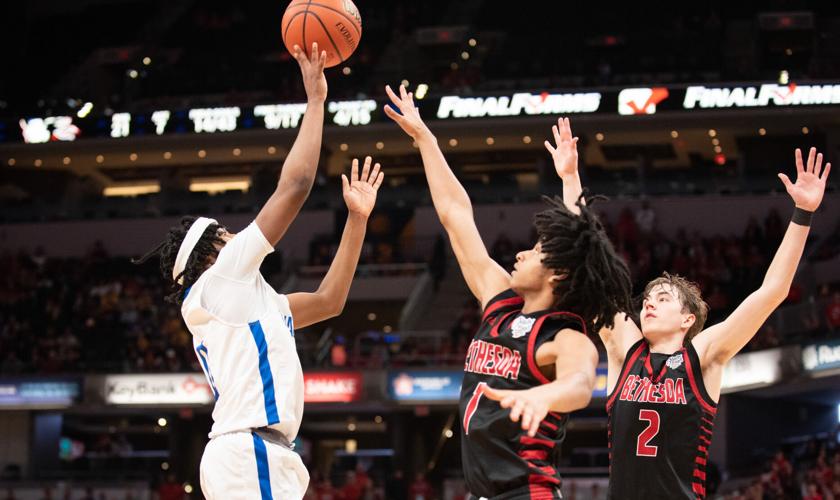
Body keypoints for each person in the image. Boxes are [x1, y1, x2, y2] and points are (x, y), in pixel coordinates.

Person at [134, 42, 385, 500]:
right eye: (227, 232)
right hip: (249, 452)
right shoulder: (221, 279)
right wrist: (314, 101)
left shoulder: (248, 303)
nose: (237, 235)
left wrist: (357, 219)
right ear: (210, 252)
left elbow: (331, 301)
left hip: (258, 453)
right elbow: (295, 185)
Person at [385, 87, 632, 499]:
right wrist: (423, 137)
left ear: (556, 274)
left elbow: (580, 383)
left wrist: (545, 395)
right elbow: (455, 215)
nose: (520, 253)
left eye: (535, 251)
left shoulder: (564, 337)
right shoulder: (499, 302)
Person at [597, 148, 831, 499]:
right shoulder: (626, 350)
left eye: (663, 298)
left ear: (688, 319)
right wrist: (571, 181)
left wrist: (803, 213)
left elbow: (772, 291)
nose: (649, 303)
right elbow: (591, 274)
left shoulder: (701, 354)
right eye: (647, 297)